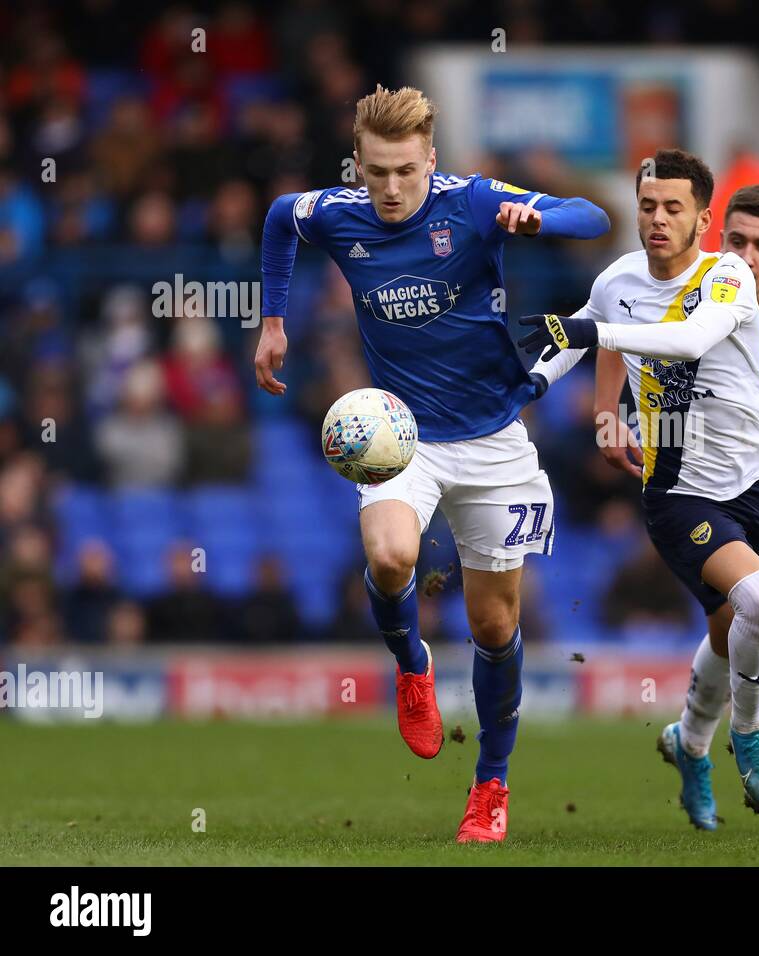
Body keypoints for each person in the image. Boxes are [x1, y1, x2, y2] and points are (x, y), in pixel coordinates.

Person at [255, 84, 609, 844]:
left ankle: (490, 786)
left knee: (494, 623)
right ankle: (410, 661)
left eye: (405, 172)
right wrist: (273, 321)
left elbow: (596, 218)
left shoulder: (475, 202)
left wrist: (538, 215)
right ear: (358, 164)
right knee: (389, 559)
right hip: (400, 433)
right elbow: (282, 216)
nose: (389, 188)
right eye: (376, 171)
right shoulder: (338, 212)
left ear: (431, 162)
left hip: (492, 440)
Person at [521, 150, 759, 838]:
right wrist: (530, 387)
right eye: (648, 205)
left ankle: (689, 744)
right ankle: (751, 745)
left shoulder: (730, 275)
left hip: (758, 483)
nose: (658, 218)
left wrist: (592, 332)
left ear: (703, 219)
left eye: (674, 207)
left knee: (739, 629)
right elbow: (577, 336)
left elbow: (684, 340)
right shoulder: (617, 281)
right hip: (679, 490)